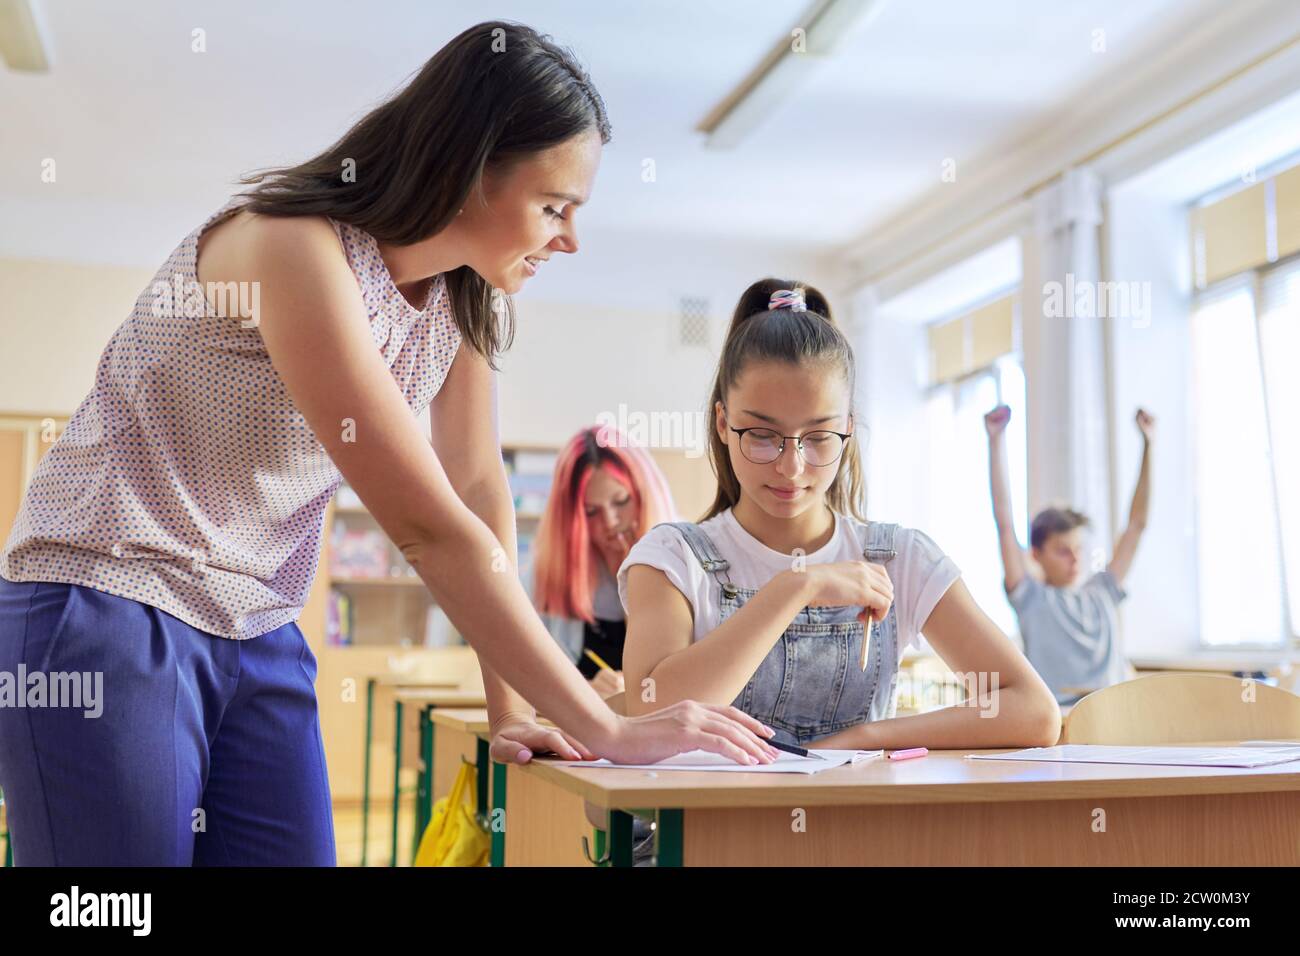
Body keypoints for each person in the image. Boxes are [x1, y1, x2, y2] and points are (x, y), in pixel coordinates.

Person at [0, 21, 776, 867]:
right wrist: (608, 727)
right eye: (555, 207)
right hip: (107, 600)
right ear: (472, 167)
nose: (570, 240)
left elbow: (478, 489)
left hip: (256, 621)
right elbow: (428, 527)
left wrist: (512, 709)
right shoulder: (292, 248)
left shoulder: (463, 303)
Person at [619, 280, 1061, 749]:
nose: (792, 467)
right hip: (708, 822)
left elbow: (1033, 711)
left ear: (848, 427)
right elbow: (650, 711)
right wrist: (797, 586)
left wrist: (867, 736)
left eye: (818, 437)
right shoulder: (672, 558)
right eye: (763, 435)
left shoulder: (899, 557)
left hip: (859, 821)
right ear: (723, 423)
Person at [985, 404, 1154, 702]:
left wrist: (1148, 446)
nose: (1075, 559)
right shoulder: (1032, 598)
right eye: (1063, 551)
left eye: (1078, 549)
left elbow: (1137, 524)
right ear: (1036, 554)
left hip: (1112, 718)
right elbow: (1004, 525)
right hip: (1059, 722)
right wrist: (996, 441)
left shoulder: (1103, 591)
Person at [531, 426, 675, 700]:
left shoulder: (683, 559)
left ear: (646, 495)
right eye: (591, 511)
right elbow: (527, 678)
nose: (610, 522)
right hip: (583, 730)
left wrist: (637, 576)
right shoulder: (547, 573)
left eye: (621, 501)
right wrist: (584, 692)